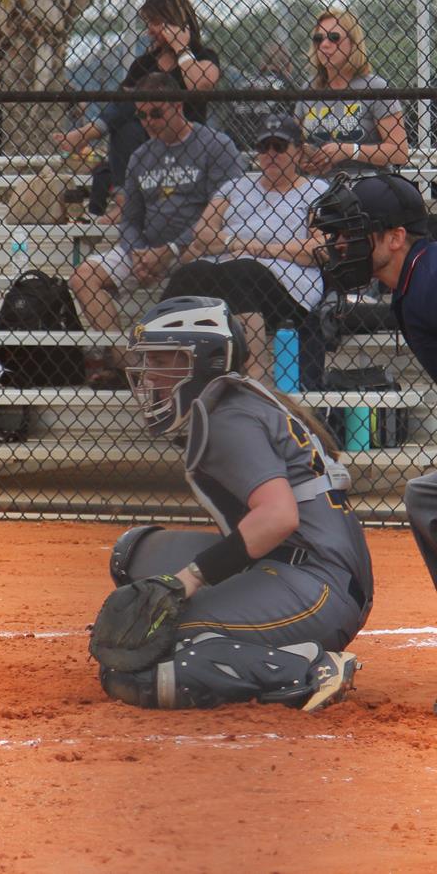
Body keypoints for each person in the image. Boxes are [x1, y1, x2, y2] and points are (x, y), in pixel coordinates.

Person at [94, 295, 369, 710]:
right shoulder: (233, 400)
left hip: (317, 586)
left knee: (139, 667)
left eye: (163, 361)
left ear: (205, 361)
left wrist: (190, 578)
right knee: (131, 555)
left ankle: (307, 667)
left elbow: (278, 517)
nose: (148, 375)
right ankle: (253, 631)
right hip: (308, 565)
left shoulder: (228, 420)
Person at [307, 172, 437, 627]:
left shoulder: (429, 281)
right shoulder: (417, 279)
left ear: (395, 237)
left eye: (352, 233)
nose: (340, 244)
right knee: (427, 497)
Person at [69, 73, 245, 388]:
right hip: (147, 249)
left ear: (178, 105)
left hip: (196, 249)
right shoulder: (141, 156)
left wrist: (171, 249)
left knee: (197, 267)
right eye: (141, 115)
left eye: (156, 113)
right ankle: (133, 369)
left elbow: (227, 212)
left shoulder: (216, 145)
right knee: (84, 276)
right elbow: (130, 219)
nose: (148, 122)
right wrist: (139, 252)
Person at [162, 115, 328, 384]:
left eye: (279, 146)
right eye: (263, 147)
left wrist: (260, 249)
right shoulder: (236, 186)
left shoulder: (315, 190)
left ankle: (255, 372)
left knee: (241, 270)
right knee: (189, 273)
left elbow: (316, 249)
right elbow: (202, 233)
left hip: (287, 288)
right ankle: (163, 365)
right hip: (227, 270)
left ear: (298, 151)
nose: (270, 154)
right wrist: (236, 244)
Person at [52, 0, 222, 220]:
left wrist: (182, 48)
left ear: (175, 22)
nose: (149, 30)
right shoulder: (144, 63)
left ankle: (88, 132)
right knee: (128, 115)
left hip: (186, 141)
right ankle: (125, 201)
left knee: (136, 98)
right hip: (147, 142)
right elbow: (120, 106)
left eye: (155, 22)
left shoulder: (203, 56)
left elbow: (200, 84)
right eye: (148, 23)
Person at [294, 9, 409, 175]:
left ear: (353, 43)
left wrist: (350, 151)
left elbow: (399, 153)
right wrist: (302, 158)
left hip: (366, 180)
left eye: (334, 37)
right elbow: (293, 142)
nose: (324, 44)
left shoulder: (375, 87)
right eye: (318, 38)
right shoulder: (309, 88)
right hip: (318, 183)